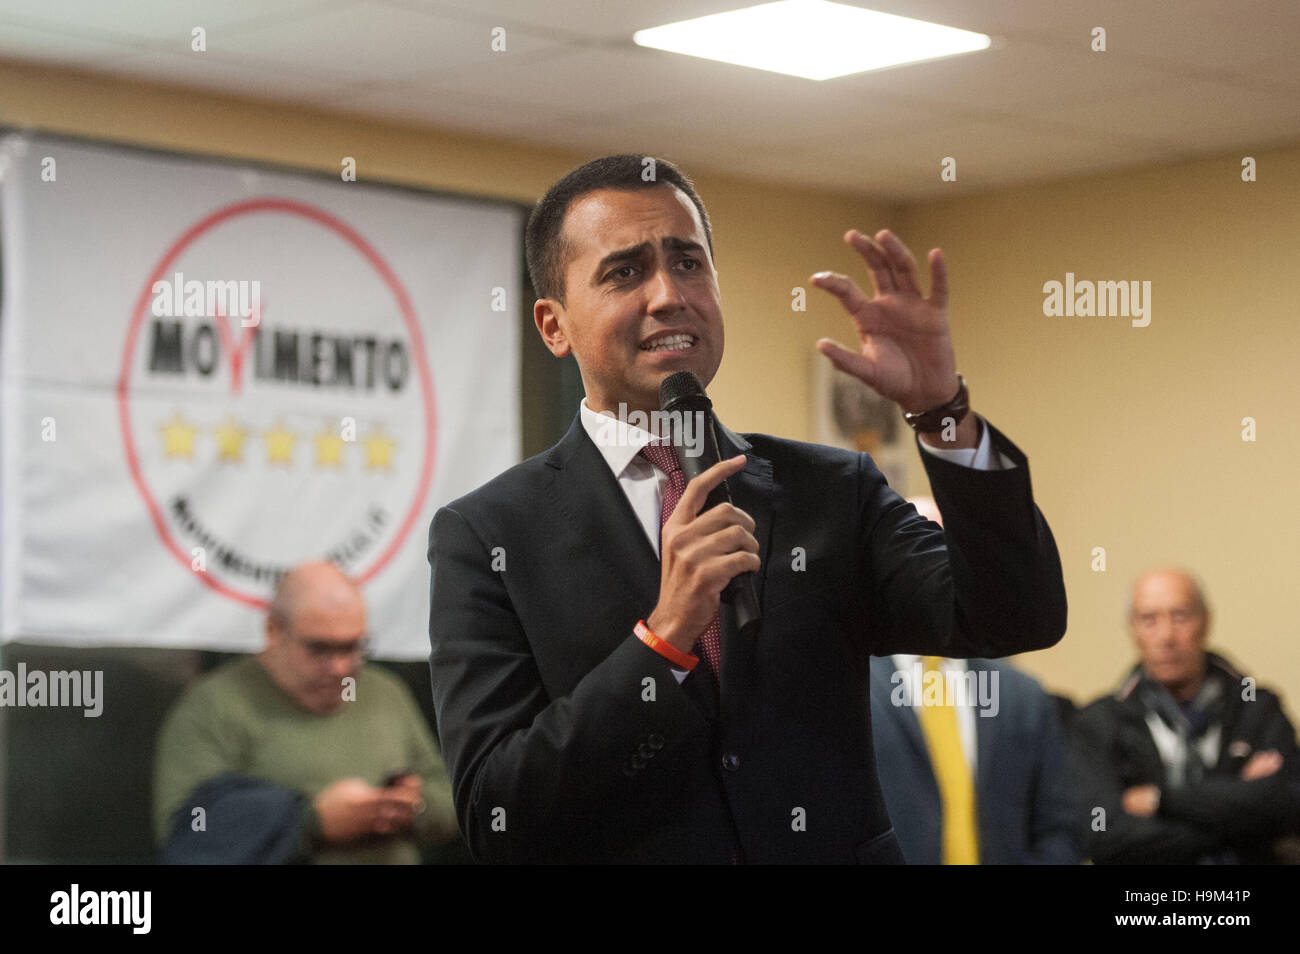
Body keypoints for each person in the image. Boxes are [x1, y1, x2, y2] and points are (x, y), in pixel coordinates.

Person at [427, 154, 1067, 863]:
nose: (669, 294)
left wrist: (944, 414)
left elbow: (1016, 615)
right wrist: (662, 642)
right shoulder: (487, 535)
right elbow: (497, 816)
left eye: (689, 263)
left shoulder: (831, 490)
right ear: (554, 326)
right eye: (625, 271)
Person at [154, 562, 461, 863]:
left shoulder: (384, 693)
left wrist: (413, 810)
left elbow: (450, 799)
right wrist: (311, 824)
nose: (340, 668)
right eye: (320, 649)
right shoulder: (214, 705)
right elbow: (188, 833)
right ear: (275, 631)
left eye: (352, 647)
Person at [869, 497, 1079, 865]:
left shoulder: (1023, 696)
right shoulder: (846, 687)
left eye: (943, 548)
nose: (929, 567)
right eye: (911, 550)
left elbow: (1059, 827)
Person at [1069, 568, 1300, 863]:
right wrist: (1239, 806)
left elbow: (1287, 806)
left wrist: (1160, 800)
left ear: (1205, 621)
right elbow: (1103, 836)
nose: (1166, 636)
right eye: (1148, 619)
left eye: (1180, 616)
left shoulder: (1258, 708)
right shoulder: (1098, 723)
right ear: (1133, 630)